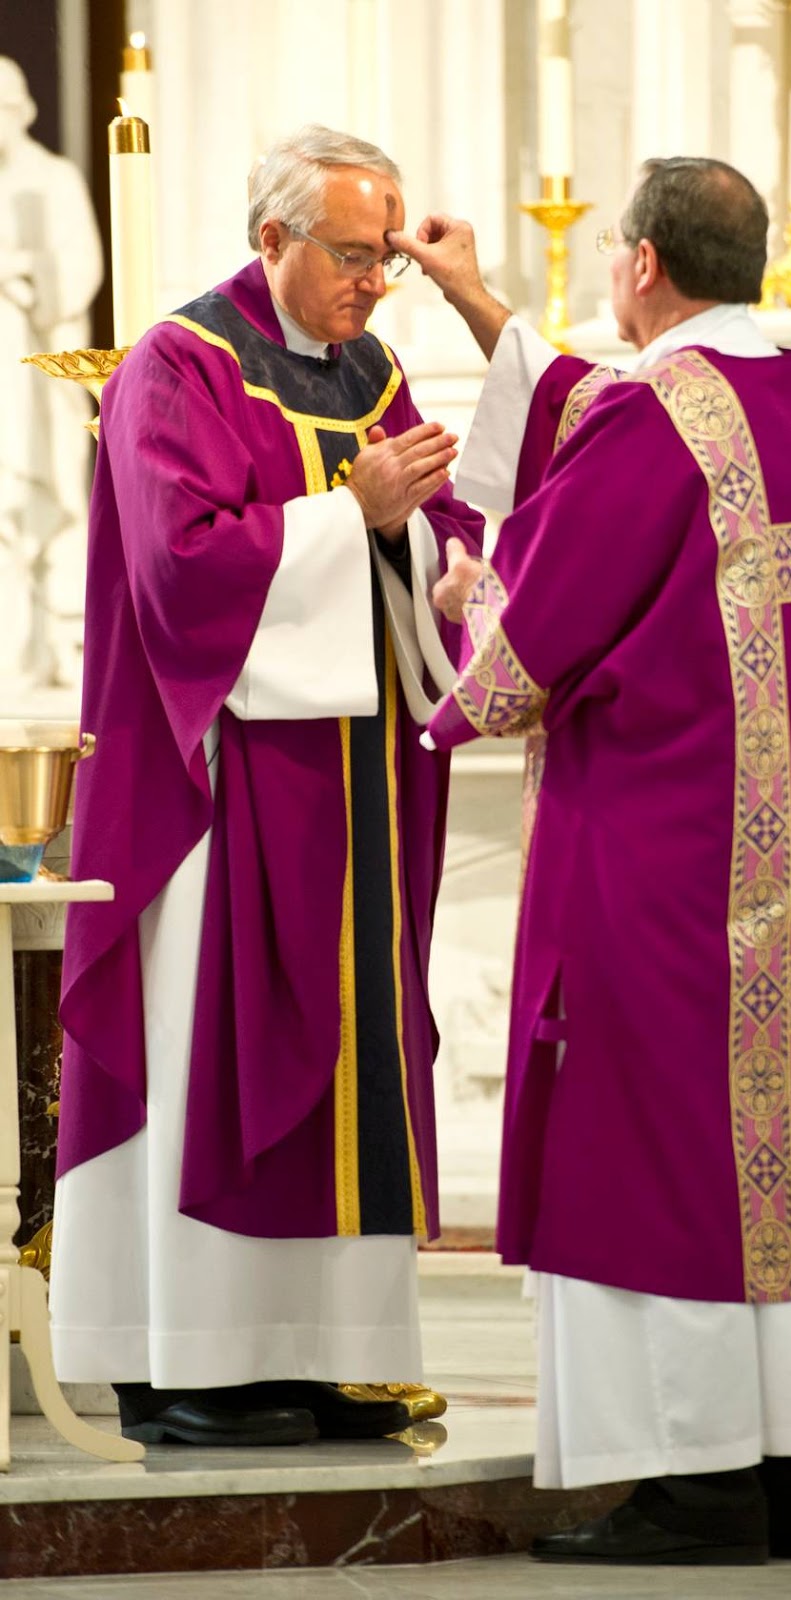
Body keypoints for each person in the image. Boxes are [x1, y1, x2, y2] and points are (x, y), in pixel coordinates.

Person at [388, 156, 791, 1563]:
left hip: (654, 856)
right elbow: (589, 426)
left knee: (640, 1146)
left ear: (642, 264)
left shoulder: (661, 417)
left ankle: (690, 1477)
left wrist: (469, 627)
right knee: (756, 1157)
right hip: (772, 867)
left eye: (610, 252)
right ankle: (786, 1470)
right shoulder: (783, 399)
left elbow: (548, 623)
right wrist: (479, 303)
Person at [49, 124, 483, 1448]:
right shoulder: (174, 370)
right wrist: (348, 514)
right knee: (210, 1053)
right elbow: (179, 571)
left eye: (383, 258)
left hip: (356, 791)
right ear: (271, 242)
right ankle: (187, 1357)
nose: (369, 283)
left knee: (354, 1058)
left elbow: (429, 530)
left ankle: (324, 1356)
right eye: (350, 256)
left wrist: (442, 571)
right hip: (223, 786)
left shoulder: (375, 372)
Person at [0, 55, 103, 688]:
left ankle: (57, 642)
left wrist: (25, 273)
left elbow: (81, 268)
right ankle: (12, 646)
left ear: (21, 111)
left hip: (37, 370)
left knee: (50, 502)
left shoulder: (55, 178)